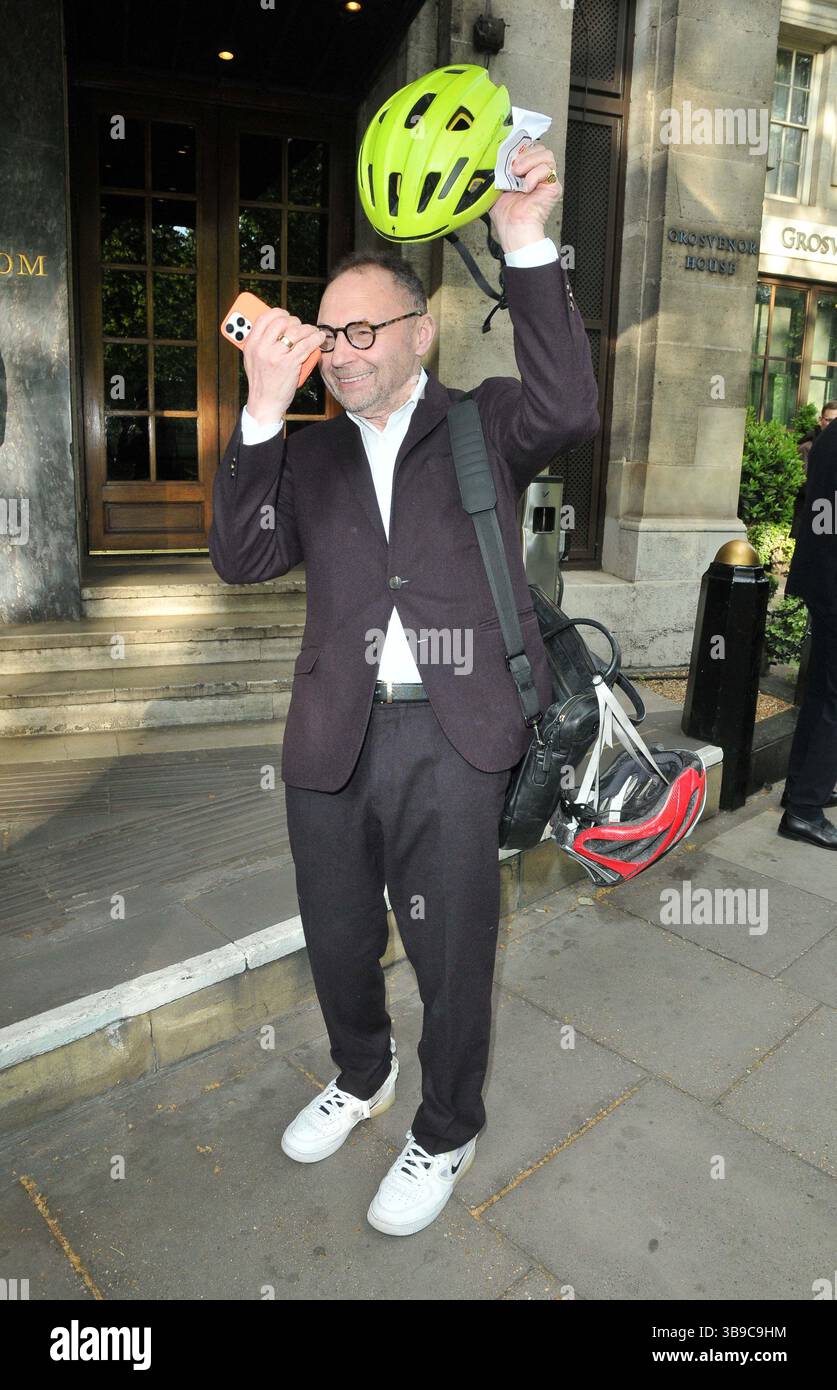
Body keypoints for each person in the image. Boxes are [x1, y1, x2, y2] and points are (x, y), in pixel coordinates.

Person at [208, 141, 600, 1235]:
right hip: (332, 736)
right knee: (335, 933)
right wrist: (260, 409)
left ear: (421, 328)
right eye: (328, 335)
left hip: (453, 737)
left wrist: (524, 240)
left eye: (364, 329)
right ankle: (360, 1069)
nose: (343, 351)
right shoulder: (310, 450)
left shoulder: (481, 423)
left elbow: (571, 406)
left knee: (452, 948)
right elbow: (241, 558)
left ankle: (446, 1125)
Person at [780, 411, 837, 849]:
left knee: (822, 689)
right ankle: (804, 809)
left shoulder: (832, 435)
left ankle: (802, 788)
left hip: (824, 581)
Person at [790, 400, 837, 540]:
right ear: (820, 420)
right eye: (829, 420)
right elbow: (804, 485)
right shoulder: (807, 447)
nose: (832, 426)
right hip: (813, 514)